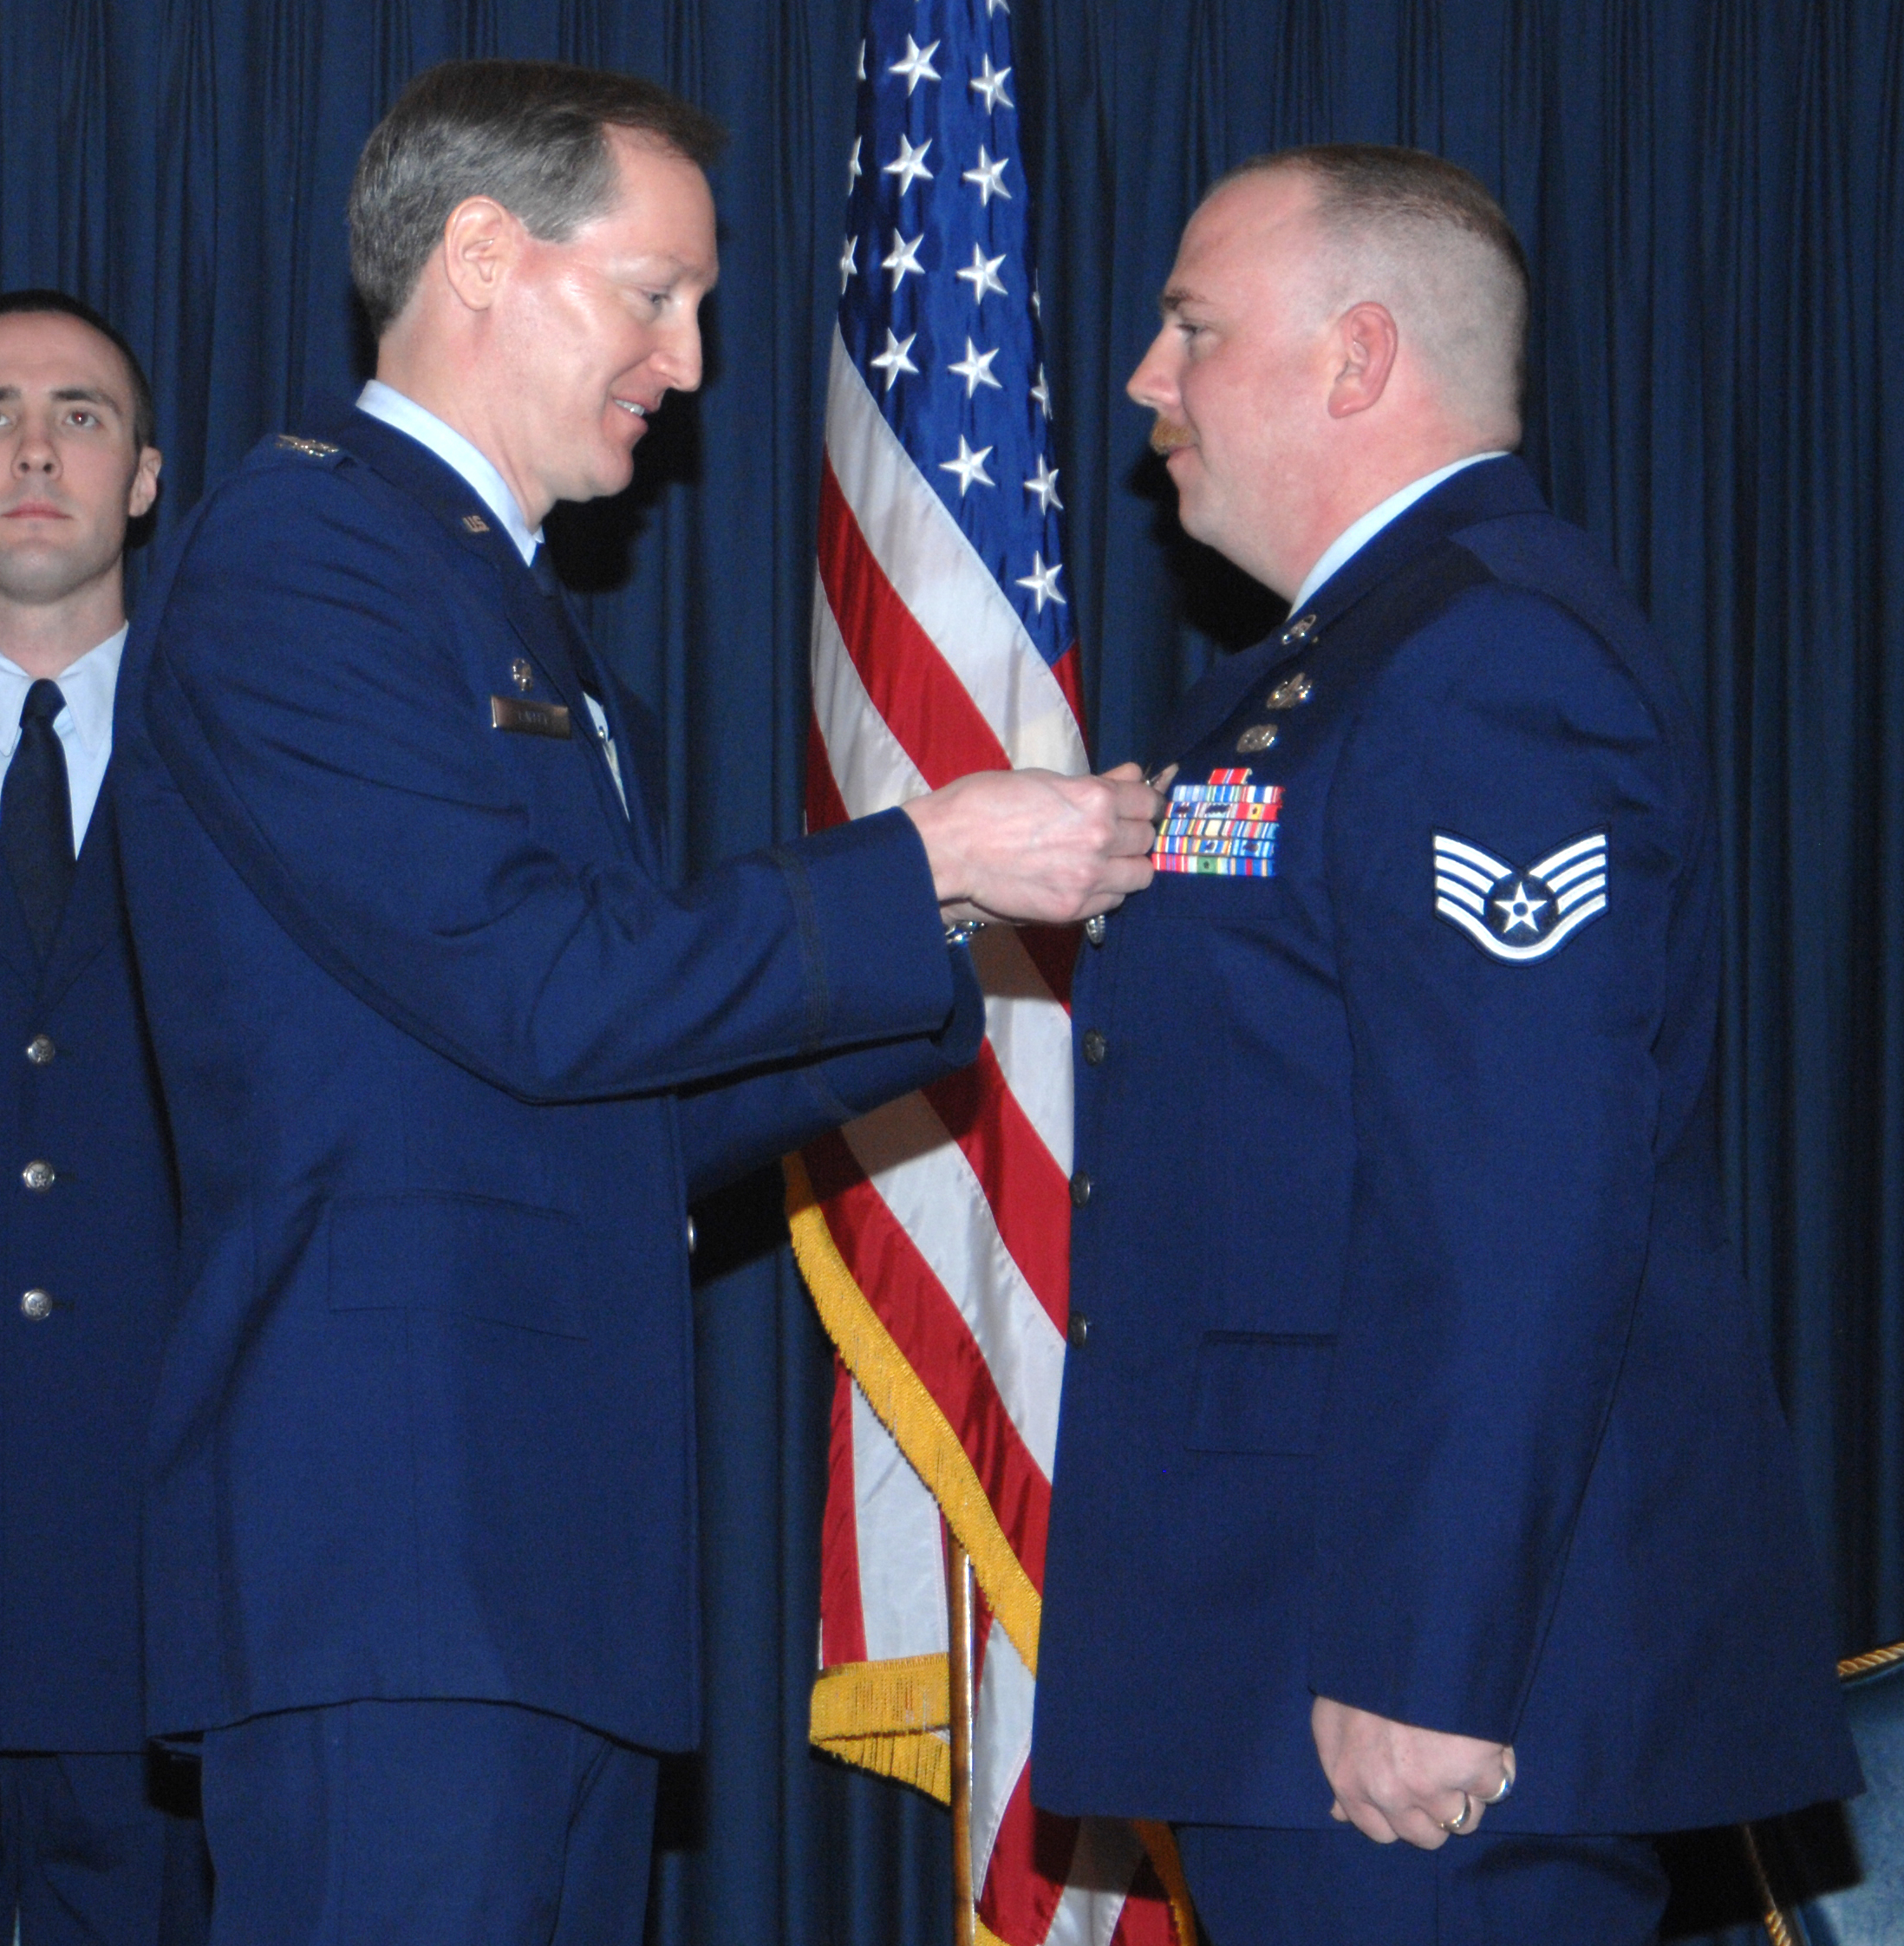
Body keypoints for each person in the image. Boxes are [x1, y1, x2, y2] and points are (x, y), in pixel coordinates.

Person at [110, 59, 1159, 1946]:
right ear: (486, 254)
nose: (686, 362)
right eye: (655, 293)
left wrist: (947, 943)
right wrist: (929, 860)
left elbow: (611, 1102)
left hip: (535, 1564)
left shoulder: (493, 601)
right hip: (392, 1563)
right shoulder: (308, 559)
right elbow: (538, 988)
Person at [1030, 145, 1860, 1946]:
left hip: (1423, 1702)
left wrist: (1430, 1654)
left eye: (1189, 327)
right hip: (1292, 1644)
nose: (1143, 382)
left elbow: (1521, 1202)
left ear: (1357, 356)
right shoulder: (1316, 672)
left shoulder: (1490, 665)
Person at [0, 290, 210, 1943]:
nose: (30, 448)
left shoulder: (254, 758)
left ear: (143, 477)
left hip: (150, 1584)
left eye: (79, 412)